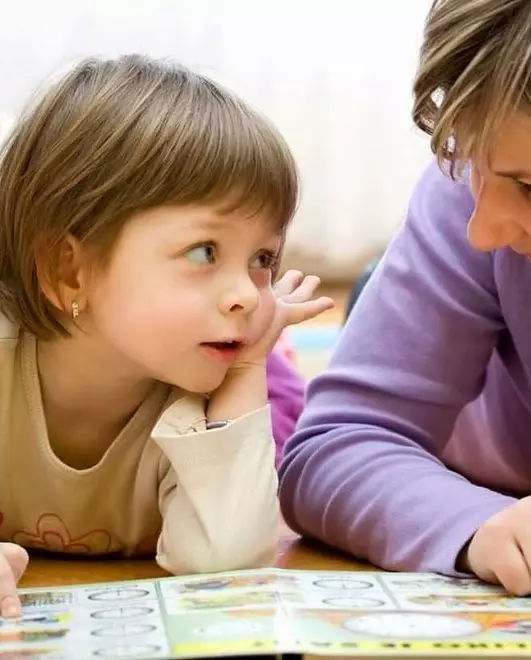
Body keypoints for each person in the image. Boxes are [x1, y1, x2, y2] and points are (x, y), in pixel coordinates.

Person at [279, 0, 531, 601]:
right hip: (467, 427)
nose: (485, 232)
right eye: (473, 165)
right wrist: (477, 524)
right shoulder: (463, 206)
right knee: (402, 289)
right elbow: (333, 448)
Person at [0, 53, 333, 617]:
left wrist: (249, 370)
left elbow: (224, 562)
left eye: (262, 258)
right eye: (204, 251)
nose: (249, 293)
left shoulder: (208, 388)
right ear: (68, 270)